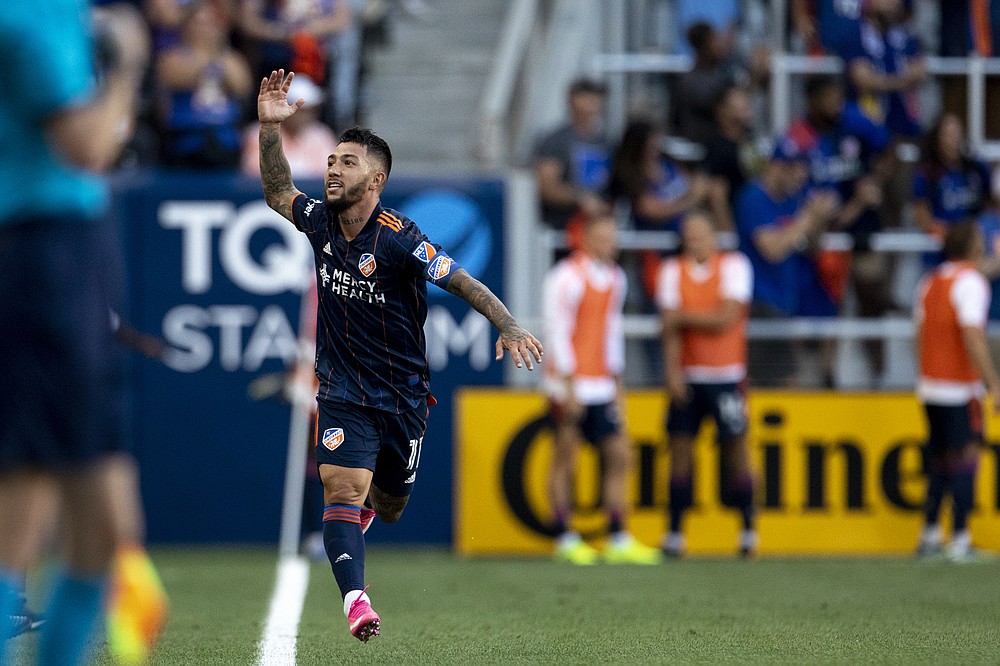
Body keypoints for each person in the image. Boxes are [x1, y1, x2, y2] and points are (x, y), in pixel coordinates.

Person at [256, 69, 543, 641]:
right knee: (340, 485)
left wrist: (507, 323)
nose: (333, 170)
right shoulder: (321, 223)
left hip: (404, 397)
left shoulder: (399, 237)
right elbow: (277, 191)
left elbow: (458, 279)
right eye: (331, 161)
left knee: (388, 506)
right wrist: (270, 129)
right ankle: (356, 600)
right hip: (340, 389)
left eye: (348, 163)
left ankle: (356, 523)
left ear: (376, 178)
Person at [0, 2, 167, 665]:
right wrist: (126, 63)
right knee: (32, 513)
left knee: (100, 528)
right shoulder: (35, 17)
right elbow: (89, 146)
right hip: (44, 258)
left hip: (60, 255)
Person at [541, 214, 661, 566]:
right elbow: (557, 330)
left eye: (615, 236)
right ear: (587, 239)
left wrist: (618, 382)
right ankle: (564, 536)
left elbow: (611, 331)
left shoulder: (615, 277)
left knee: (619, 455)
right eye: (606, 236)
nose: (613, 243)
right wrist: (569, 383)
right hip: (570, 383)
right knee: (566, 457)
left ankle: (618, 535)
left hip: (602, 383)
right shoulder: (566, 276)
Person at [656, 211, 757, 558]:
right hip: (689, 374)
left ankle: (747, 530)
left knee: (736, 450)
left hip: (726, 374)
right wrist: (671, 372)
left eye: (701, 235)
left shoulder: (735, 265)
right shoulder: (672, 271)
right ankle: (674, 533)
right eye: (689, 235)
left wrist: (682, 317)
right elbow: (669, 331)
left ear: (714, 238)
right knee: (680, 452)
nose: (694, 241)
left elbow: (726, 318)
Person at [914, 221, 1000, 562]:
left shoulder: (930, 282)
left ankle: (931, 534)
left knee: (939, 462)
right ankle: (961, 538)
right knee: (966, 460)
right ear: (974, 246)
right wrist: (993, 383)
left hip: (930, 385)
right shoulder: (971, 283)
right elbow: (972, 336)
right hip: (960, 388)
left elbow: (918, 333)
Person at [735, 140, 838, 387]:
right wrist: (807, 217)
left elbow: (811, 249)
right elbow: (772, 249)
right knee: (779, 382)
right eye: (789, 167)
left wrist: (819, 219)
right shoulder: (754, 198)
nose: (796, 174)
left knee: (781, 382)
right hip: (760, 302)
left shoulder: (791, 200)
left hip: (784, 301)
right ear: (773, 166)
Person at [155, 0, 253, 169]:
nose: (204, 29)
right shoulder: (173, 57)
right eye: (199, 23)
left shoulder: (231, 58)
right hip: (185, 140)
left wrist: (217, 56)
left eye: (210, 23)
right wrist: (209, 57)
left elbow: (243, 87)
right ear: (186, 26)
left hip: (225, 139)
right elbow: (176, 77)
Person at [532, 78, 613, 231]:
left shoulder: (604, 141)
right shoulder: (556, 141)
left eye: (596, 98)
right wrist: (580, 198)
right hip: (564, 229)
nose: (593, 104)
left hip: (598, 229)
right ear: (572, 101)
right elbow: (545, 187)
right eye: (587, 97)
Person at [913, 113, 993, 250]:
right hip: (942, 248)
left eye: (958, 134)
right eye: (948, 135)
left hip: (976, 245)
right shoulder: (927, 173)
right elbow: (922, 219)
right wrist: (953, 237)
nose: (954, 140)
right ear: (937, 139)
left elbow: (989, 205)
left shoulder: (977, 168)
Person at [242, 73, 340, 178]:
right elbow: (257, 172)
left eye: (310, 109)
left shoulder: (321, 135)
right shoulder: (259, 133)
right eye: (299, 110)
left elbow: (331, 173)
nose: (305, 115)